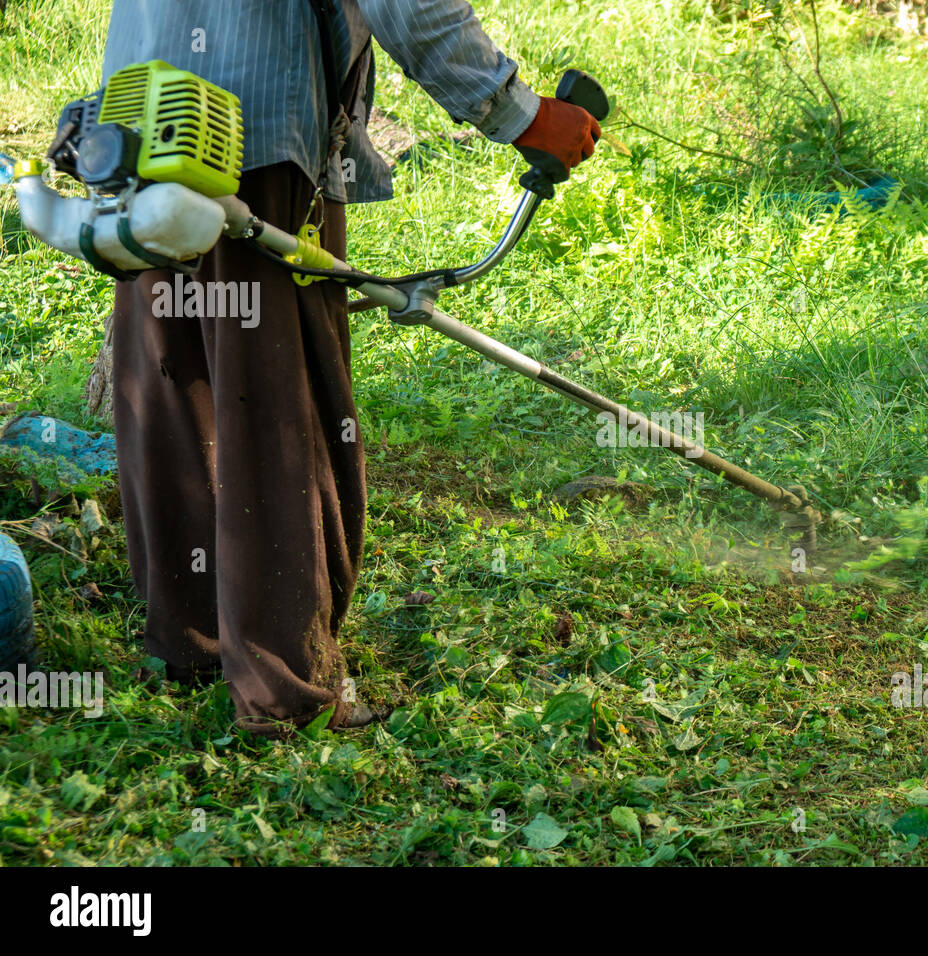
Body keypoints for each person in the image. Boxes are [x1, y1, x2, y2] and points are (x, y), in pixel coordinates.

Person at [101, 0, 600, 736]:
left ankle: (192, 643)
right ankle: (283, 687)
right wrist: (519, 112)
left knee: (180, 375)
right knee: (272, 397)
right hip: (251, 129)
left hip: (142, 114)